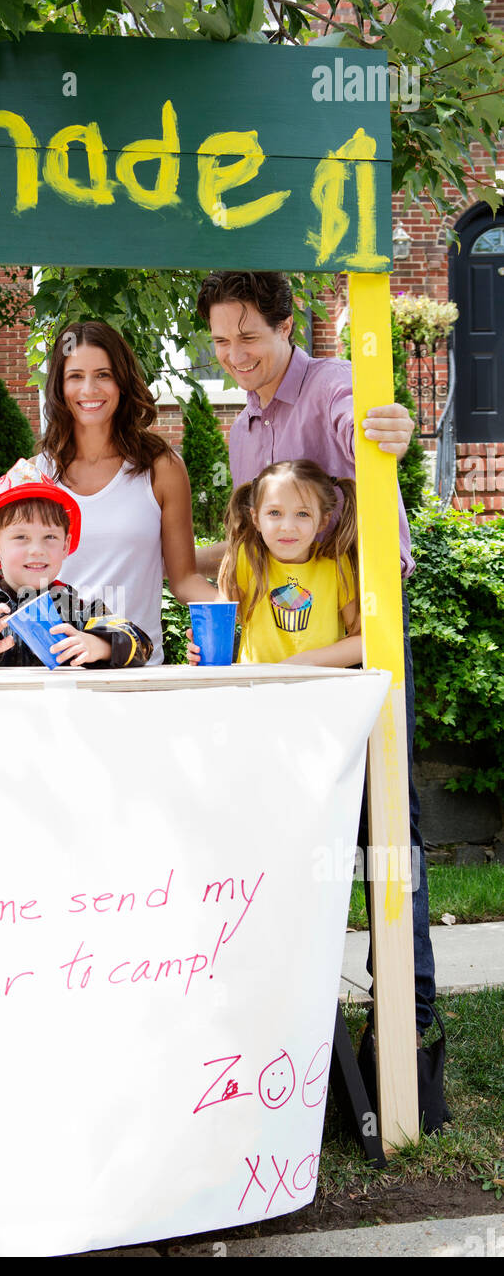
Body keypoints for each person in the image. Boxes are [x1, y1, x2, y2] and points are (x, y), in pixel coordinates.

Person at [194, 270, 434, 1044]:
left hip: (357, 668)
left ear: (286, 325)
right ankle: (301, 1026)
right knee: (298, 854)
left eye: (250, 337)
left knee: (389, 847)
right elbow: (252, 558)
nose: (235, 354)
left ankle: (411, 1018)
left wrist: (389, 428)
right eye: (221, 340)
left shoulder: (332, 387)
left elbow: (369, 420)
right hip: (281, 695)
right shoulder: (243, 432)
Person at [35, 320, 219, 665]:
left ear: (121, 382)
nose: (89, 389)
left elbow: (185, 579)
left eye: (103, 374)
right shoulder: (35, 475)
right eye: (75, 376)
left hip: (138, 669)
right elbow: (18, 582)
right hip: (57, 669)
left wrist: (240, 610)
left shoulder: (161, 468)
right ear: (59, 387)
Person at [0, 458, 152, 670]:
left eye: (50, 537)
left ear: (65, 545)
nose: (37, 549)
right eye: (21, 537)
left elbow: (141, 643)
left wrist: (100, 645)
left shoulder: (78, 611)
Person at [188, 461, 361, 668]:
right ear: (256, 519)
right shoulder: (247, 558)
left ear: (323, 521)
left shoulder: (335, 564)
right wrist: (202, 650)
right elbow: (220, 623)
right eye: (275, 513)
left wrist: (307, 662)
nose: (287, 527)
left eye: (302, 514)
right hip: (257, 690)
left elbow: (362, 639)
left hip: (319, 690)